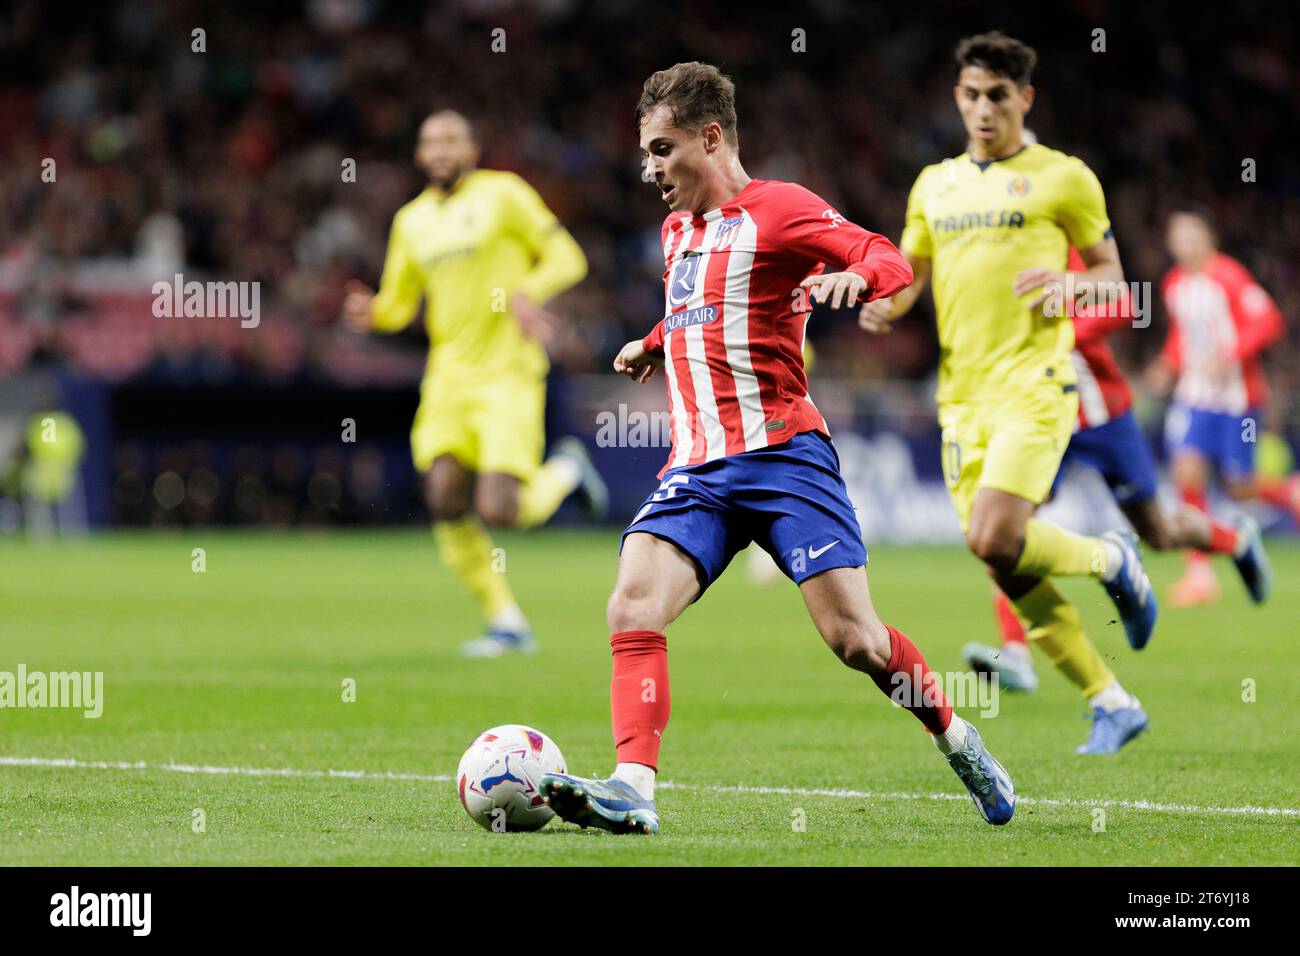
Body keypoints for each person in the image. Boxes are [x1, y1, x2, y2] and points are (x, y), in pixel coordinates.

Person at [538, 62, 1017, 835]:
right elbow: (705, 307)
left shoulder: (783, 209)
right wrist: (654, 341)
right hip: (696, 466)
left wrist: (853, 281)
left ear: (712, 137)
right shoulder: (676, 231)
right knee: (632, 603)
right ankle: (633, 786)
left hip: (785, 458)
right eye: (646, 153)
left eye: (663, 150)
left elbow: (889, 258)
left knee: (855, 641)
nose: (649, 169)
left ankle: (957, 738)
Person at [859, 32, 1154, 754]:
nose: (982, 109)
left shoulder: (1065, 177)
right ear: (957, 99)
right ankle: (1109, 697)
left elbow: (1117, 279)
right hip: (961, 397)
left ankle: (1111, 557)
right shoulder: (935, 184)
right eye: (970, 95)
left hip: (1036, 386)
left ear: (1025, 98)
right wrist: (882, 305)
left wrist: (1072, 283)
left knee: (996, 534)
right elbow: (912, 278)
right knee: (1000, 558)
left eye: (997, 95)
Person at [343, 111, 605, 658]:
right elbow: (399, 302)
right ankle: (505, 620)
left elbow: (567, 255)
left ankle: (566, 470)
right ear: (419, 155)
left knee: (503, 508)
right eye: (429, 140)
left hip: (507, 371)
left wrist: (529, 289)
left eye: (451, 139)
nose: (440, 149)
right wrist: (372, 312)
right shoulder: (411, 221)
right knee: (442, 495)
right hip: (448, 375)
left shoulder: (503, 195)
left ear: (472, 148)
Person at [1147, 205, 1292, 606]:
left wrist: (1228, 354)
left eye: (1193, 236)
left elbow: (1268, 321)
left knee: (1239, 487)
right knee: (1186, 472)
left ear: (1209, 238)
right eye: (1179, 237)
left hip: (1237, 399)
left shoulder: (1228, 276)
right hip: (1195, 397)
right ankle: (1199, 575)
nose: (1186, 245)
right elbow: (1183, 335)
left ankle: (1289, 493)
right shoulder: (1174, 283)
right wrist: (1168, 363)